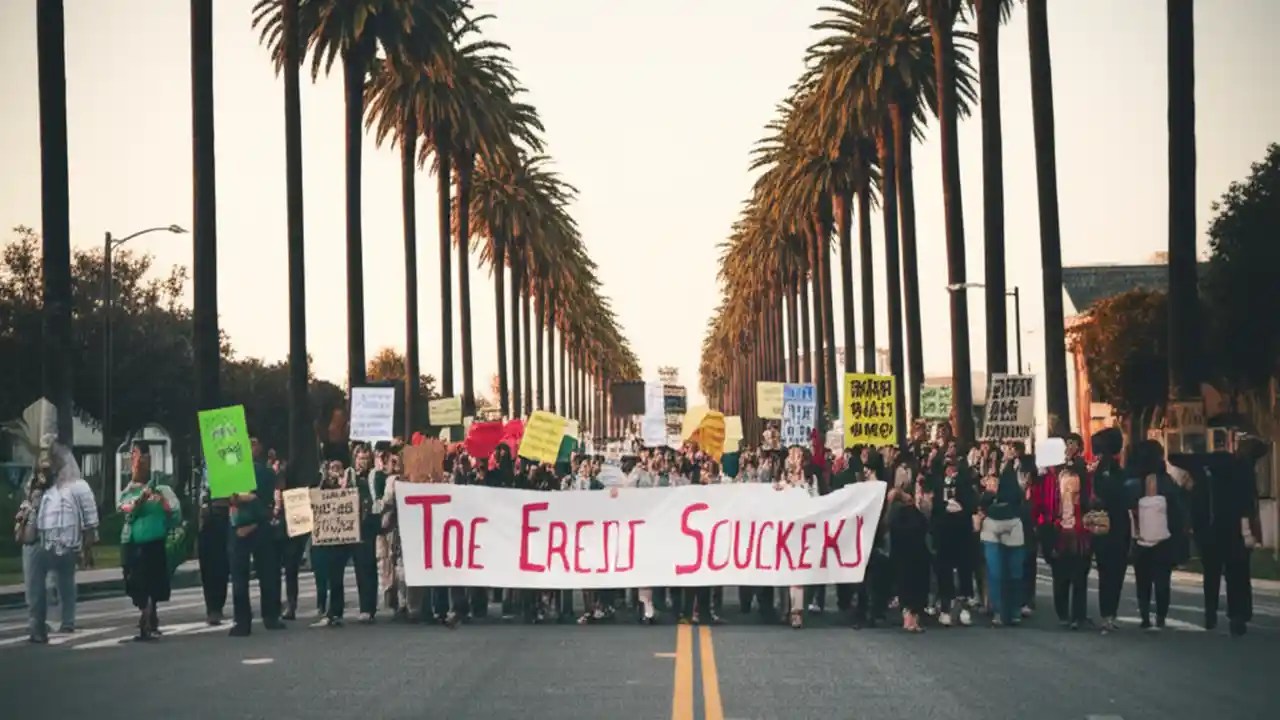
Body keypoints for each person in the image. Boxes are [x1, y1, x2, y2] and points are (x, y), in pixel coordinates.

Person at [20, 438, 98, 643]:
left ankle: (66, 620)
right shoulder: (34, 483)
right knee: (37, 585)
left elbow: (86, 514)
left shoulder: (70, 484)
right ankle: (38, 625)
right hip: (35, 538)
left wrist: (87, 544)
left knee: (63, 580)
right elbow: (27, 503)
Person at [118, 444, 182, 641]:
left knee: (153, 582)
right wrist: (140, 500)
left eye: (141, 458)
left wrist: (161, 501)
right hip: (133, 544)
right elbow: (126, 510)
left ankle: (149, 616)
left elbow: (175, 514)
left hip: (154, 542)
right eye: (134, 458)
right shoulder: (128, 492)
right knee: (135, 582)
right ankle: (146, 612)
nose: (138, 463)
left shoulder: (162, 490)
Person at [1033, 434, 1094, 630]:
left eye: (1072, 444)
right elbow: (1042, 503)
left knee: (1079, 575)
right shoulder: (1050, 476)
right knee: (1060, 575)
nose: (1069, 447)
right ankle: (1063, 613)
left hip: (1078, 530)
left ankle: (1079, 614)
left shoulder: (1084, 472)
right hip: (1058, 530)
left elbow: (1089, 499)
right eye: (1066, 444)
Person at [1127, 439, 1188, 631]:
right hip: (1164, 540)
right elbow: (1177, 512)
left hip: (1140, 538)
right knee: (1162, 579)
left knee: (1142, 580)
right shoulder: (1167, 482)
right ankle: (1161, 616)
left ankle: (1145, 616)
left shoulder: (1133, 483)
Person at [228, 437, 285, 636]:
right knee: (260, 574)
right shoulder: (262, 472)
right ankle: (268, 617)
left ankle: (245, 621)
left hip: (250, 527)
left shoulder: (260, 471)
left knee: (253, 574)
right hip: (249, 526)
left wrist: (241, 498)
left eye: (253, 443)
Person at [978, 442, 1027, 628]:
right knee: (996, 571)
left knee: (1015, 571)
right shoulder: (985, 470)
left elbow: (1020, 497)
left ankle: (1013, 610)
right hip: (992, 523)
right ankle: (998, 610)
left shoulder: (1016, 471)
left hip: (1012, 522)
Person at [1090, 428, 1130, 634]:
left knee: (1105, 572)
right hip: (1118, 525)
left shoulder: (1097, 472)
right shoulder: (1118, 472)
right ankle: (1110, 614)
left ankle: (1106, 615)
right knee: (1115, 573)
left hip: (1100, 526)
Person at [197, 462, 231, 626]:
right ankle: (211, 606)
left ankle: (216, 607)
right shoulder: (202, 465)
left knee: (220, 563)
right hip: (205, 515)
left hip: (222, 512)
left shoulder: (227, 461)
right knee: (207, 564)